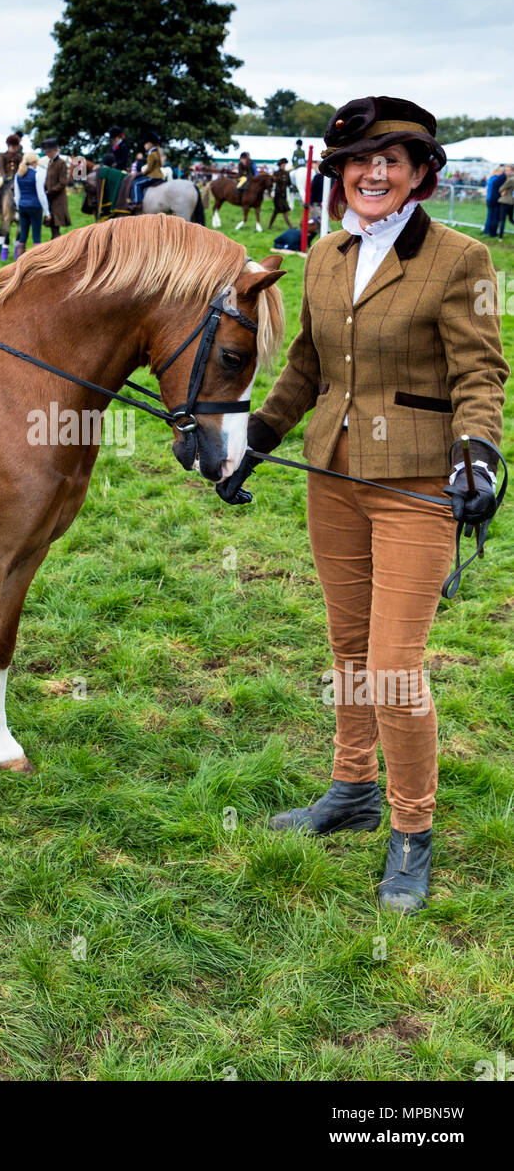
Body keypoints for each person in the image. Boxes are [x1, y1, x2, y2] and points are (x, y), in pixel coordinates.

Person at [221, 96, 508, 913]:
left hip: (416, 484)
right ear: (340, 172)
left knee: (393, 665)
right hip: (334, 475)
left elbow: (480, 373)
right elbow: (306, 366)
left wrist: (478, 455)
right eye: (359, 161)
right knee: (349, 647)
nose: (373, 174)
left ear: (419, 175)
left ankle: (412, 831)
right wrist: (260, 440)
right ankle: (352, 788)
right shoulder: (322, 253)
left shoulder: (461, 259)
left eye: (392, 161)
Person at [12, 150, 49, 256]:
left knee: (23, 234)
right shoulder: (37, 175)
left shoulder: (18, 175)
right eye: (36, 162)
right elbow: (41, 195)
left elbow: (17, 195)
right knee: (36, 234)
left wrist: (19, 207)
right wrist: (47, 212)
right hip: (35, 207)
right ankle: (36, 260)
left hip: (22, 207)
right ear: (33, 162)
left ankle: (19, 259)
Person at [40, 137, 70, 238]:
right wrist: (43, 189)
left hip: (58, 199)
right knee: (52, 226)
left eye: (47, 151)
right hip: (50, 198)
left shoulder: (61, 163)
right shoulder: (50, 162)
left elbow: (62, 183)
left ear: (54, 151)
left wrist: (50, 191)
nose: (46, 154)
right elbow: (47, 179)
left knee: (56, 227)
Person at [130, 133, 164, 206]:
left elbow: (149, 169)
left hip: (153, 176)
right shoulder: (157, 153)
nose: (144, 145)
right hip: (159, 176)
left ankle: (137, 202)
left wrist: (141, 173)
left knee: (136, 183)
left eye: (145, 143)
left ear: (150, 144)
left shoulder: (151, 154)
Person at [268, 157, 293, 230]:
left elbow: (289, 183)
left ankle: (269, 226)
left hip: (284, 195)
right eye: (283, 165)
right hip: (278, 196)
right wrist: (273, 179)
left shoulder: (287, 173)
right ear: (280, 165)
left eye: (285, 164)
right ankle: (291, 227)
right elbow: (271, 183)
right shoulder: (276, 173)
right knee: (285, 211)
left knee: (275, 212)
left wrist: (291, 187)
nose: (284, 166)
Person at [484, 165, 506, 237]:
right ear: (499, 171)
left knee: (489, 216)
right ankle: (491, 232)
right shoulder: (496, 179)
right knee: (493, 217)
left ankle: (486, 231)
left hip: (489, 199)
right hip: (493, 199)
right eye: (502, 171)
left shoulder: (491, 178)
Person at [497, 165, 514, 237]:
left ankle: (500, 237)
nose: (506, 172)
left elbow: (501, 189)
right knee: (510, 219)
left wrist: (503, 190)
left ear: (512, 171)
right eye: (505, 170)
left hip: (505, 201)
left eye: (508, 170)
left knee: (502, 220)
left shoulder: (510, 179)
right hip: (512, 202)